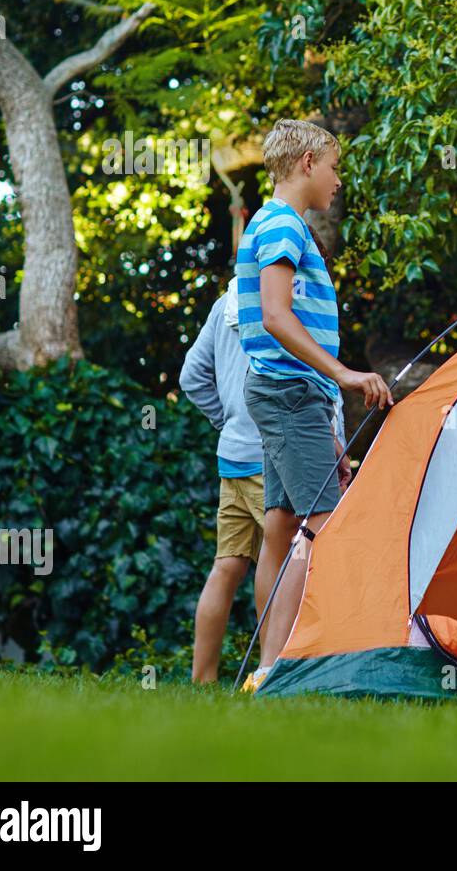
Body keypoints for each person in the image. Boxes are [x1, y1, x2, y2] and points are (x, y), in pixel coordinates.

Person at [234, 119, 389, 692]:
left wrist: (328, 430)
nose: (338, 180)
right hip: (289, 394)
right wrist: (344, 375)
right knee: (325, 528)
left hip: (295, 397)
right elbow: (276, 316)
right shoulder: (281, 224)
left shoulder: (280, 224)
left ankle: (267, 671)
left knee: (282, 526)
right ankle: (297, 666)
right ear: (306, 163)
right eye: (333, 167)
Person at [180, 278, 348, 684]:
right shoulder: (290, 301)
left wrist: (228, 421)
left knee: (226, 566)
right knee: (290, 552)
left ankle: (202, 679)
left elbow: (191, 376)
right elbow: (313, 375)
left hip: (231, 456)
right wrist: (335, 438)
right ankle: (269, 670)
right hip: (274, 448)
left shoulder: (226, 303)